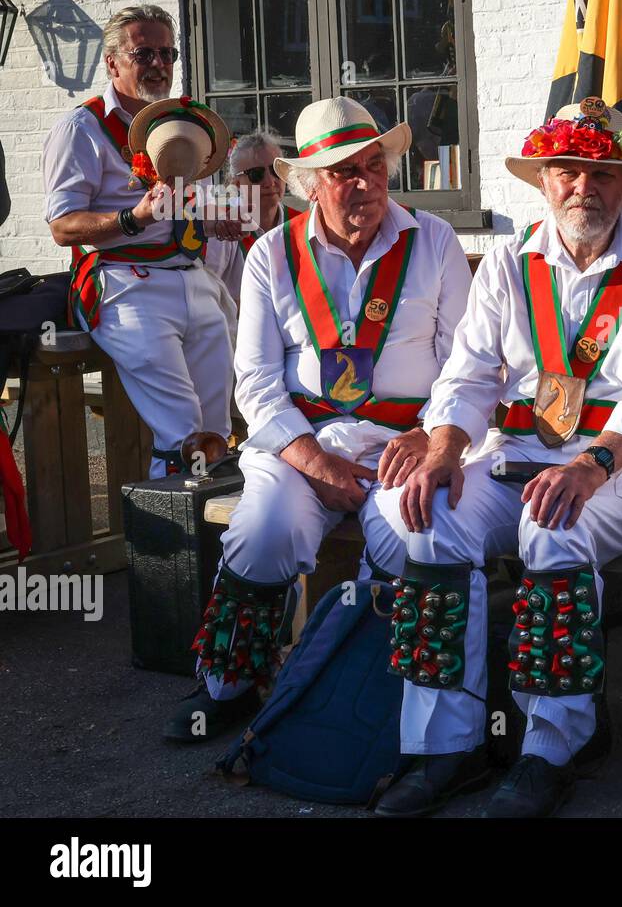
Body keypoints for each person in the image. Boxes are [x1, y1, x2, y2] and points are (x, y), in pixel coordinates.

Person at [369, 98, 622, 818]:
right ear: (544, 181)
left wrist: (589, 466)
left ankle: (551, 746)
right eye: (568, 171)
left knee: (550, 525)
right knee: (426, 517)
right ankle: (445, 747)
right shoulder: (508, 263)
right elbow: (466, 375)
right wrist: (443, 450)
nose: (586, 186)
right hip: (513, 457)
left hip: (619, 470)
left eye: (604, 173)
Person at [164, 97, 470, 741]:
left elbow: (463, 365)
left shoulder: (434, 240)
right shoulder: (271, 255)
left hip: (402, 445)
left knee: (406, 535)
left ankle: (366, 686)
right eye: (343, 172)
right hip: (299, 445)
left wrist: (430, 435)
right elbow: (255, 384)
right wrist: (312, 459)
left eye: (375, 166)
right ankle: (229, 684)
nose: (365, 184)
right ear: (305, 185)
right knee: (265, 529)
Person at [43, 5, 242, 476]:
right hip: (127, 286)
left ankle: (217, 546)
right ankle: (171, 548)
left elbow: (181, 210)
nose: (159, 64)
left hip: (195, 280)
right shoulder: (81, 129)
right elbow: (62, 225)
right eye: (143, 53)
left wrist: (212, 224)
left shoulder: (181, 122)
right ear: (112, 62)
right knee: (182, 434)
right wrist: (133, 218)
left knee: (216, 430)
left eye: (167, 53)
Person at [207, 129, 299, 307]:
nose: (270, 181)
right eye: (256, 174)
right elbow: (207, 293)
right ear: (236, 184)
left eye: (276, 170)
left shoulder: (301, 223)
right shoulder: (225, 226)